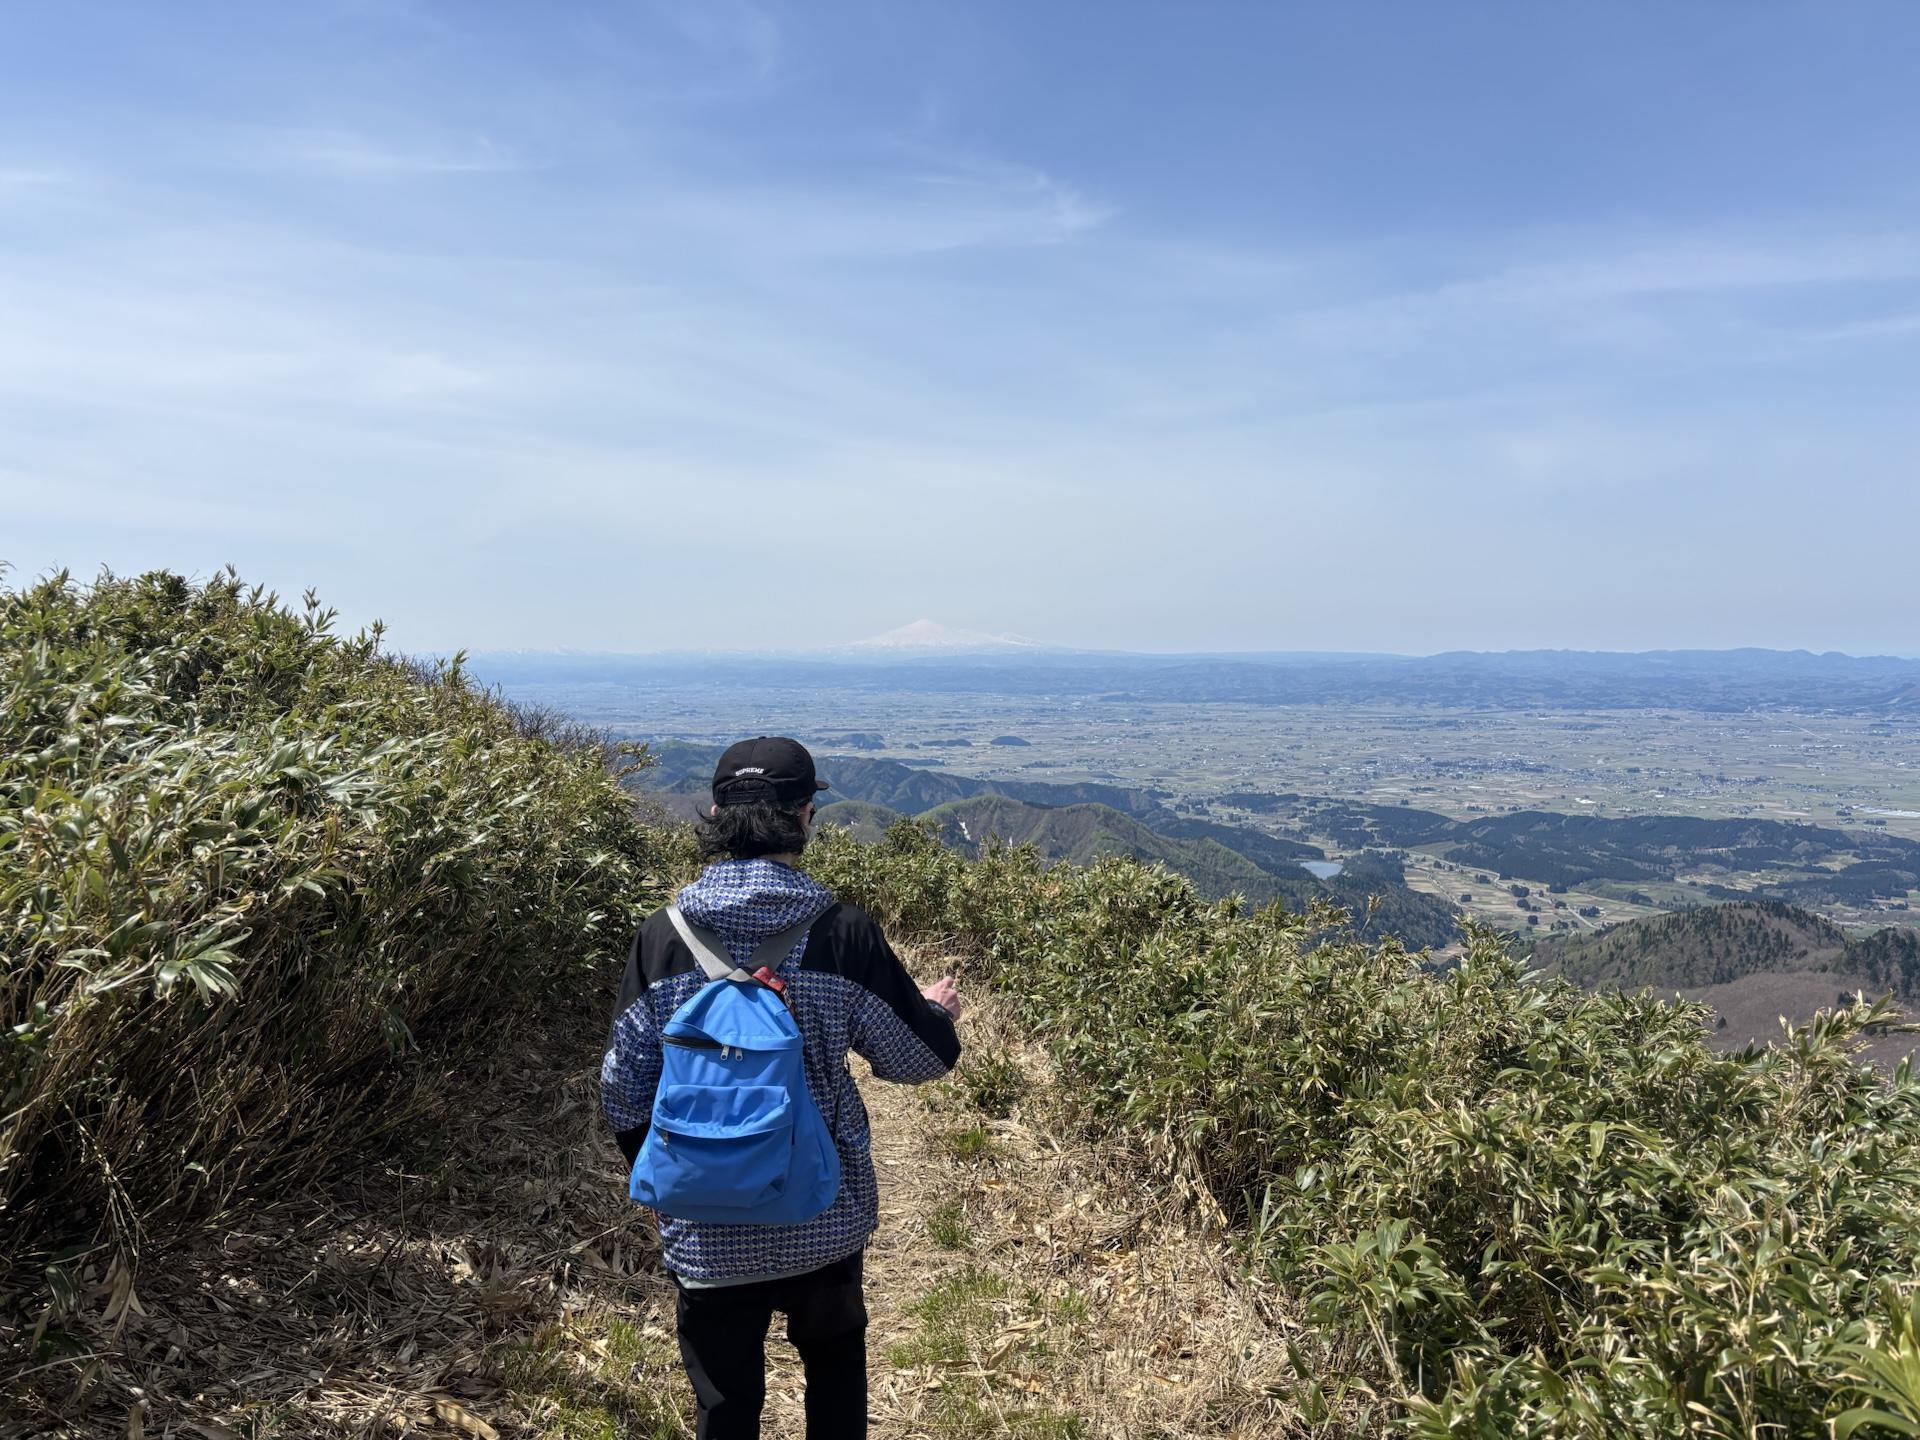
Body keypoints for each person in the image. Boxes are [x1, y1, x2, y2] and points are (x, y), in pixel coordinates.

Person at [602, 736, 962, 1439]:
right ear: (804, 816)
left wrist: (664, 1177)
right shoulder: (842, 933)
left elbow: (622, 1085)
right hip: (821, 1213)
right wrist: (936, 1012)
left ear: (715, 814)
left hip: (704, 1223)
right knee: (834, 1374)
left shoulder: (662, 938)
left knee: (724, 1403)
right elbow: (918, 1058)